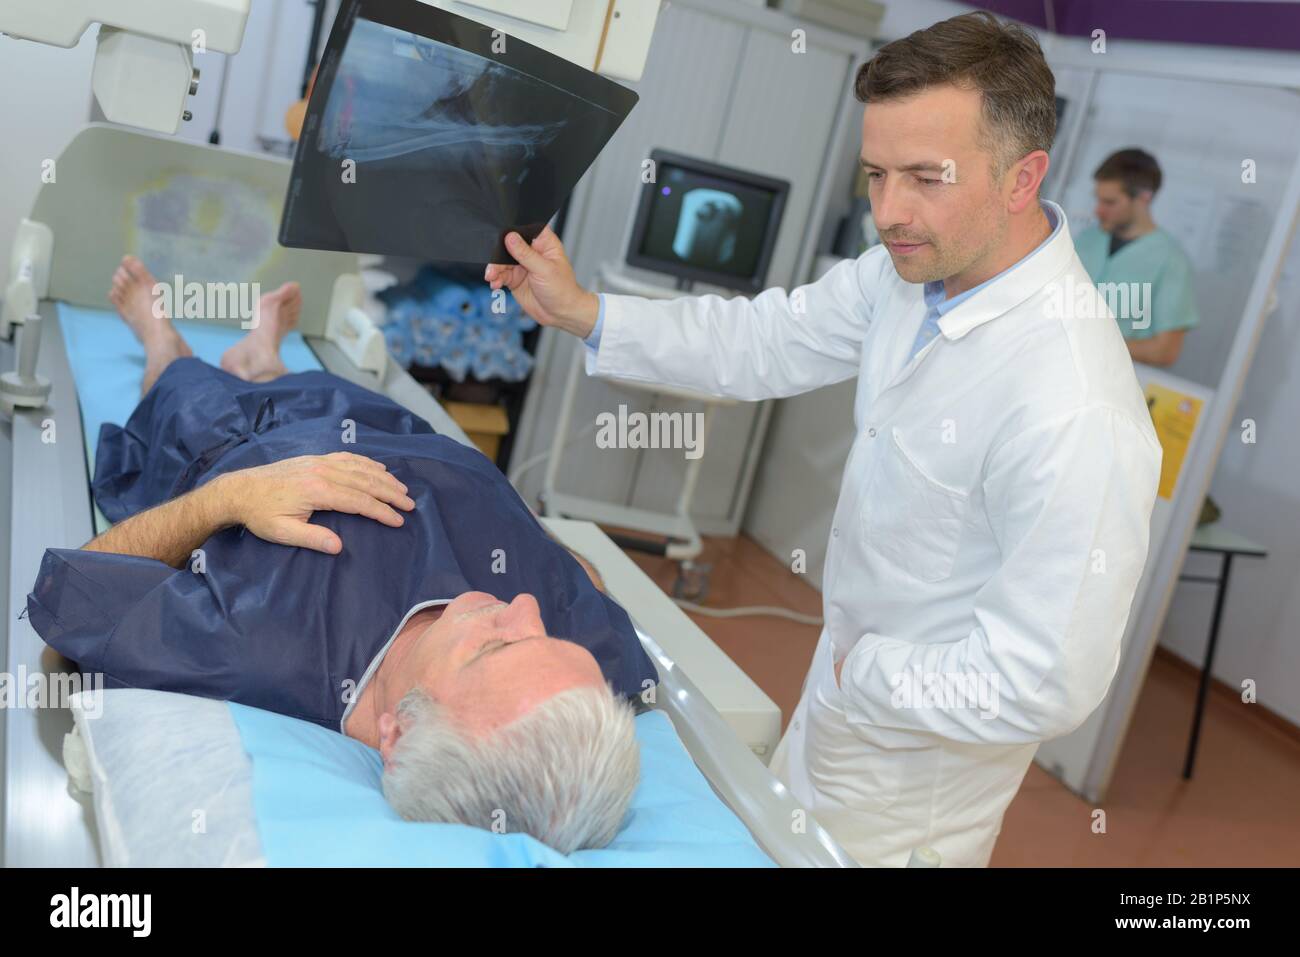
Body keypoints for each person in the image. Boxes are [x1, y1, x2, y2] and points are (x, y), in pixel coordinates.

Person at [487, 11, 1163, 866]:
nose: (890, 211)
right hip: (833, 718)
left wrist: (864, 674)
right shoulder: (913, 274)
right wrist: (587, 313)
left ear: (1023, 176)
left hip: (912, 798)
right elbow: (765, 340)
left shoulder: (1073, 404)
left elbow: (1046, 682)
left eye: (926, 176)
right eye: (875, 174)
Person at [27, 256, 656, 854]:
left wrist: (229, 497)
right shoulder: (583, 667)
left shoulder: (261, 648)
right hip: (375, 417)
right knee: (304, 383)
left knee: (181, 388)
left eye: (497, 646)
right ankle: (263, 357)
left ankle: (161, 337)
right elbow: (587, 591)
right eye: (544, 633)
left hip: (237, 436)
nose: (523, 606)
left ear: (399, 733)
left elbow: (66, 594)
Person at [1073, 148, 1200, 367]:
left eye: (1110, 202)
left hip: (1107, 383)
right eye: (1098, 200)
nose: (1098, 210)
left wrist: (1094, 342)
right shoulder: (1087, 240)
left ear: (1144, 197)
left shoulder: (1171, 261)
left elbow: (1165, 352)